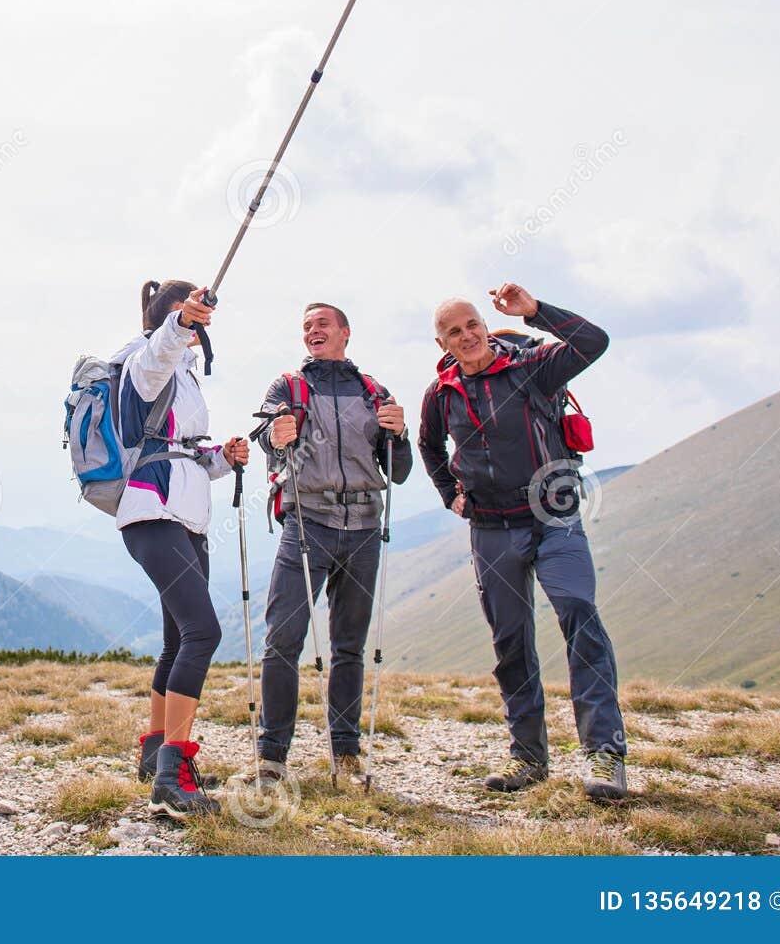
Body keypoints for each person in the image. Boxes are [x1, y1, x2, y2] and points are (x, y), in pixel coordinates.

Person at [417, 283, 627, 800]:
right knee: (511, 642)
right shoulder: (441, 394)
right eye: (453, 332)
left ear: (485, 326)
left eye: (471, 325)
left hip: (554, 520)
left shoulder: (533, 366)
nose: (466, 336)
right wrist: (450, 494)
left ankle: (605, 756)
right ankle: (529, 759)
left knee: (579, 616)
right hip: (490, 528)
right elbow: (427, 444)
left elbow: (593, 342)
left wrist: (536, 311)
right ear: (441, 343)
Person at [253, 302, 413, 786]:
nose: (311, 331)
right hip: (309, 523)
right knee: (283, 639)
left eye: (321, 324)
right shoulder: (289, 386)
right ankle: (272, 756)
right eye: (305, 326)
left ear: (345, 332)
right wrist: (272, 434)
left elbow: (399, 471)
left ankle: (345, 751)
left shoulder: (373, 391)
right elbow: (266, 433)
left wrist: (400, 434)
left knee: (350, 645)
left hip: (365, 526)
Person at [115, 279, 249, 818]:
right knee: (204, 632)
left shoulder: (187, 378)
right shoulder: (143, 362)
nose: (191, 329)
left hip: (187, 516)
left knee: (176, 641)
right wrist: (180, 322)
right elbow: (158, 353)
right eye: (180, 318)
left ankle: (156, 752)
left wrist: (224, 457)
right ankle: (174, 774)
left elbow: (182, 456)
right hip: (151, 513)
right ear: (163, 322)